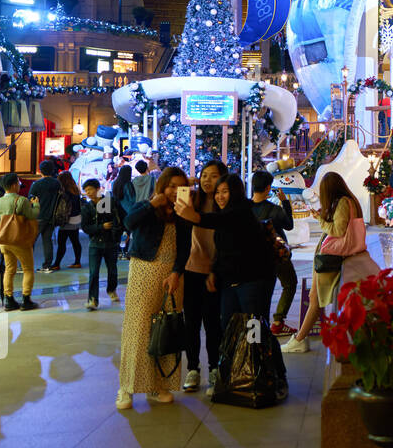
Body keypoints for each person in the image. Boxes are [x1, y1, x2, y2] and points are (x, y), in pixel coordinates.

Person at [117, 167, 191, 410]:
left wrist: (177, 273)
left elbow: (185, 246)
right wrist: (152, 204)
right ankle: (126, 387)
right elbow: (128, 223)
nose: (174, 191)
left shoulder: (183, 211)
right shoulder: (147, 205)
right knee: (138, 330)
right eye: (171, 186)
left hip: (171, 277)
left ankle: (158, 385)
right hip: (143, 271)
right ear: (162, 186)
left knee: (165, 329)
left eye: (180, 186)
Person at [177, 174, 276, 338]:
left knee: (255, 331)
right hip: (232, 281)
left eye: (225, 192)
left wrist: (195, 216)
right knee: (229, 328)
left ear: (235, 193)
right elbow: (223, 248)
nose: (219, 196)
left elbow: (219, 220)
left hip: (254, 280)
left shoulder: (242, 212)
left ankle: (257, 362)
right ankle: (238, 363)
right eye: (217, 192)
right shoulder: (226, 214)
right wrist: (214, 271)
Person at [281, 172, 361, 353]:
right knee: (315, 299)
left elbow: (337, 230)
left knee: (315, 300)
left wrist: (321, 220)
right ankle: (300, 338)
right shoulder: (349, 201)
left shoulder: (342, 203)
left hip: (330, 257)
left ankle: (299, 339)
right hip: (335, 256)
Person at [179, 160, 226, 395]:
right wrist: (185, 186)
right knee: (192, 323)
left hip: (214, 273)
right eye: (204, 175)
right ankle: (193, 369)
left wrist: (215, 271)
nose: (207, 180)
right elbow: (178, 206)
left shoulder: (223, 203)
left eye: (213, 176)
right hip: (191, 270)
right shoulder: (194, 200)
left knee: (212, 323)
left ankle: (215, 369)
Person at [249, 170, 298, 337]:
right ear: (268, 187)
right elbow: (289, 225)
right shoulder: (275, 210)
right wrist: (285, 202)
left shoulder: (245, 209)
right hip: (276, 256)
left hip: (252, 259)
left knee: (257, 298)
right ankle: (277, 322)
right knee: (289, 283)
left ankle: (254, 335)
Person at [0, 172, 39, 311]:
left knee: (9, 269)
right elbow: (32, 215)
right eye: (18, 183)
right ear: (14, 185)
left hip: (4, 240)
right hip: (19, 240)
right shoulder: (21, 200)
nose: (19, 185)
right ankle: (26, 299)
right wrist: (36, 205)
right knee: (28, 269)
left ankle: (9, 299)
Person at [80, 178, 121, 310]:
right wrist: (101, 227)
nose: (88, 193)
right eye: (86, 191)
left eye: (90, 190)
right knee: (93, 273)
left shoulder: (110, 202)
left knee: (112, 270)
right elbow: (85, 227)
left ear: (98, 189)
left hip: (111, 243)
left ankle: (111, 289)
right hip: (95, 244)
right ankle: (93, 299)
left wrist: (118, 233)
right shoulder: (87, 207)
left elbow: (119, 219)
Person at [29, 159, 63, 271]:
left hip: (38, 216)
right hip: (52, 215)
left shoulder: (36, 184)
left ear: (40, 170)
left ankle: (27, 264)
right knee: (47, 241)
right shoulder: (57, 183)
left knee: (30, 241)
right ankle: (47, 265)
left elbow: (31, 199)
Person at [51, 171, 83, 270]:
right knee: (75, 241)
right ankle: (77, 262)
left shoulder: (64, 192)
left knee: (62, 242)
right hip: (76, 218)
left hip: (67, 220)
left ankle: (56, 264)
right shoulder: (75, 189)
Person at [112, 165, 134, 259]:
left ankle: (118, 252)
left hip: (117, 210)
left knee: (118, 231)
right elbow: (132, 198)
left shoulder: (114, 182)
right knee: (126, 232)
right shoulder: (128, 184)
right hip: (126, 211)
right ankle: (124, 251)